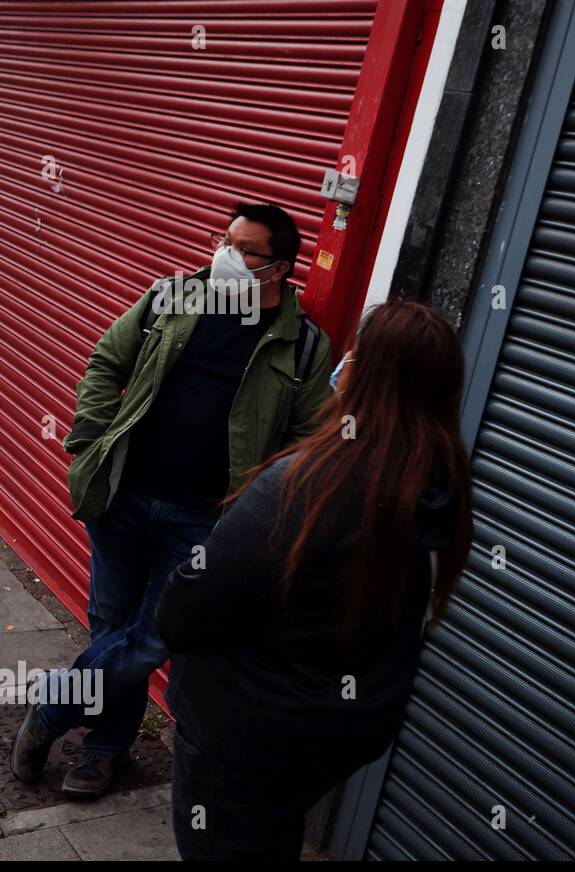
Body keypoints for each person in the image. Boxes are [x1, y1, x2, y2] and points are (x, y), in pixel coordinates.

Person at [8, 202, 333, 800]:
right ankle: (103, 752)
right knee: (113, 624)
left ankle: (52, 710)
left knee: (154, 636)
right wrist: (88, 443)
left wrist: (257, 513)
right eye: (224, 240)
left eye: (244, 250)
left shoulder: (303, 345)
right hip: (126, 494)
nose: (224, 255)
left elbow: (304, 444)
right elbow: (108, 362)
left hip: (204, 518)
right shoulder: (176, 297)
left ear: (279, 268)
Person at [155, 300, 473, 861]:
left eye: (354, 354)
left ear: (364, 376)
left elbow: (185, 608)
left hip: (246, 732)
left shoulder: (304, 484)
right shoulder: (436, 485)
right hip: (333, 732)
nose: (341, 362)